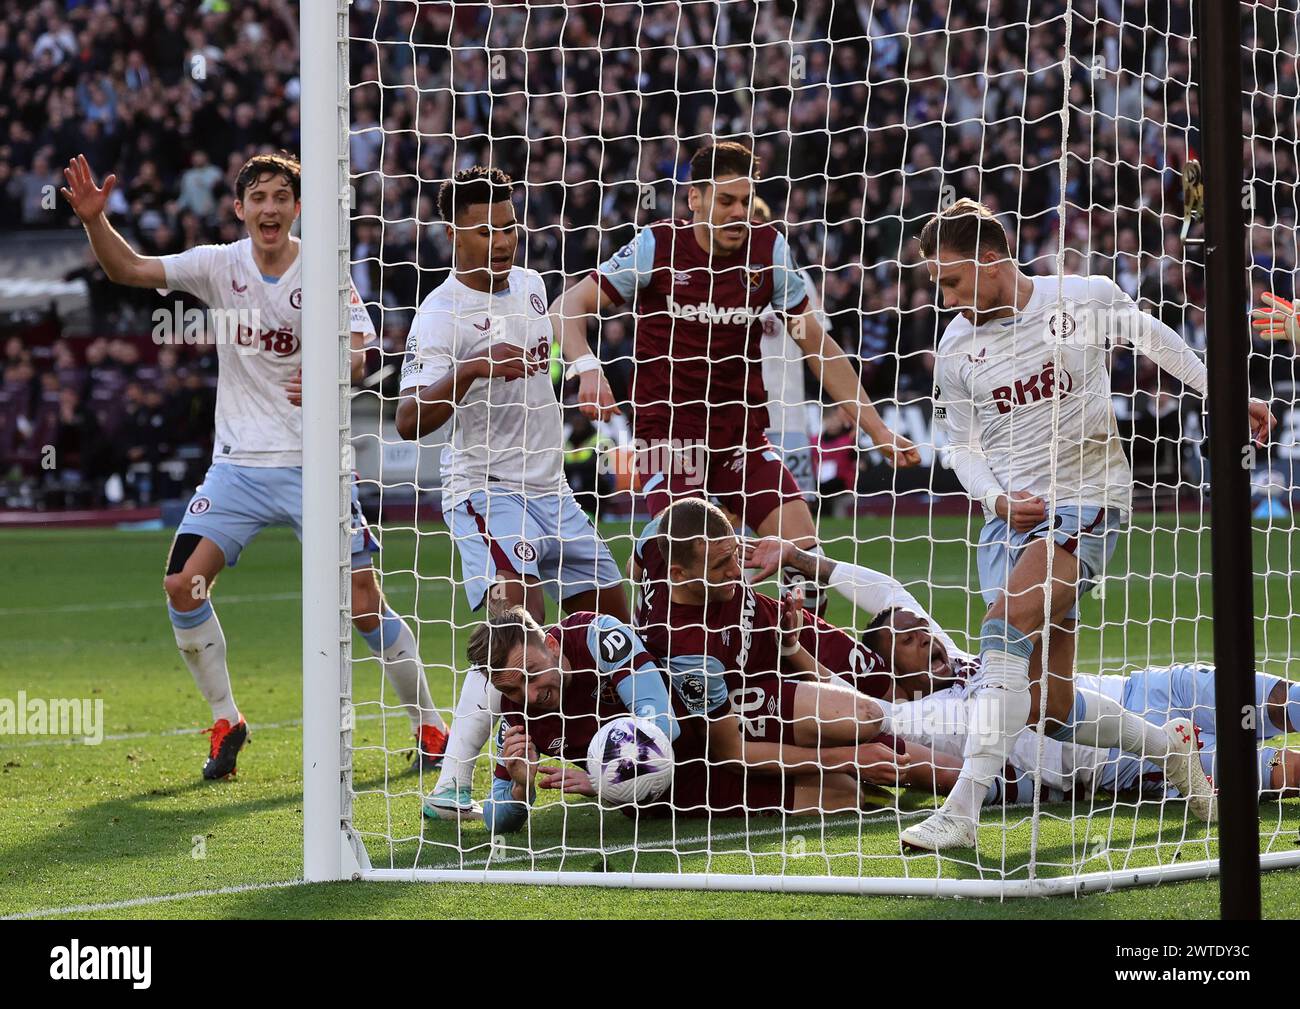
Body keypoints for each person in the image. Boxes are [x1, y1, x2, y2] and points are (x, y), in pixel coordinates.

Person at [61, 152, 447, 779]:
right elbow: (127, 268)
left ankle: (428, 723)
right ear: (239, 208)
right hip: (237, 465)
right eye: (258, 198)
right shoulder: (219, 265)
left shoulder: (323, 268)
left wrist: (330, 371)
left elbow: (362, 353)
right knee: (182, 585)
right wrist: (93, 222)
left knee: (363, 603)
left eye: (281, 197)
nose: (270, 208)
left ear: (296, 208)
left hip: (314, 464)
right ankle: (226, 719)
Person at [554, 141, 919, 615]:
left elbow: (818, 348)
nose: (738, 212)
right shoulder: (656, 245)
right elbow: (568, 307)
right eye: (726, 201)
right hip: (671, 443)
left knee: (807, 565)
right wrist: (587, 367)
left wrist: (878, 430)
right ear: (695, 199)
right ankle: (657, 595)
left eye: (745, 201)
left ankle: (797, 676)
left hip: (740, 440)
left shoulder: (769, 251)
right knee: (699, 573)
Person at [395, 165, 629, 819]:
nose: (503, 240)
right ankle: (464, 779)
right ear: (454, 234)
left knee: (611, 626)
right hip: (487, 490)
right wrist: (470, 368)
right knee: (515, 629)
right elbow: (409, 419)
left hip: (553, 489)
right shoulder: (440, 315)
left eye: (510, 225)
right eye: (486, 229)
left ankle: (611, 755)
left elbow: (561, 327)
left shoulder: (530, 285)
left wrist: (584, 368)